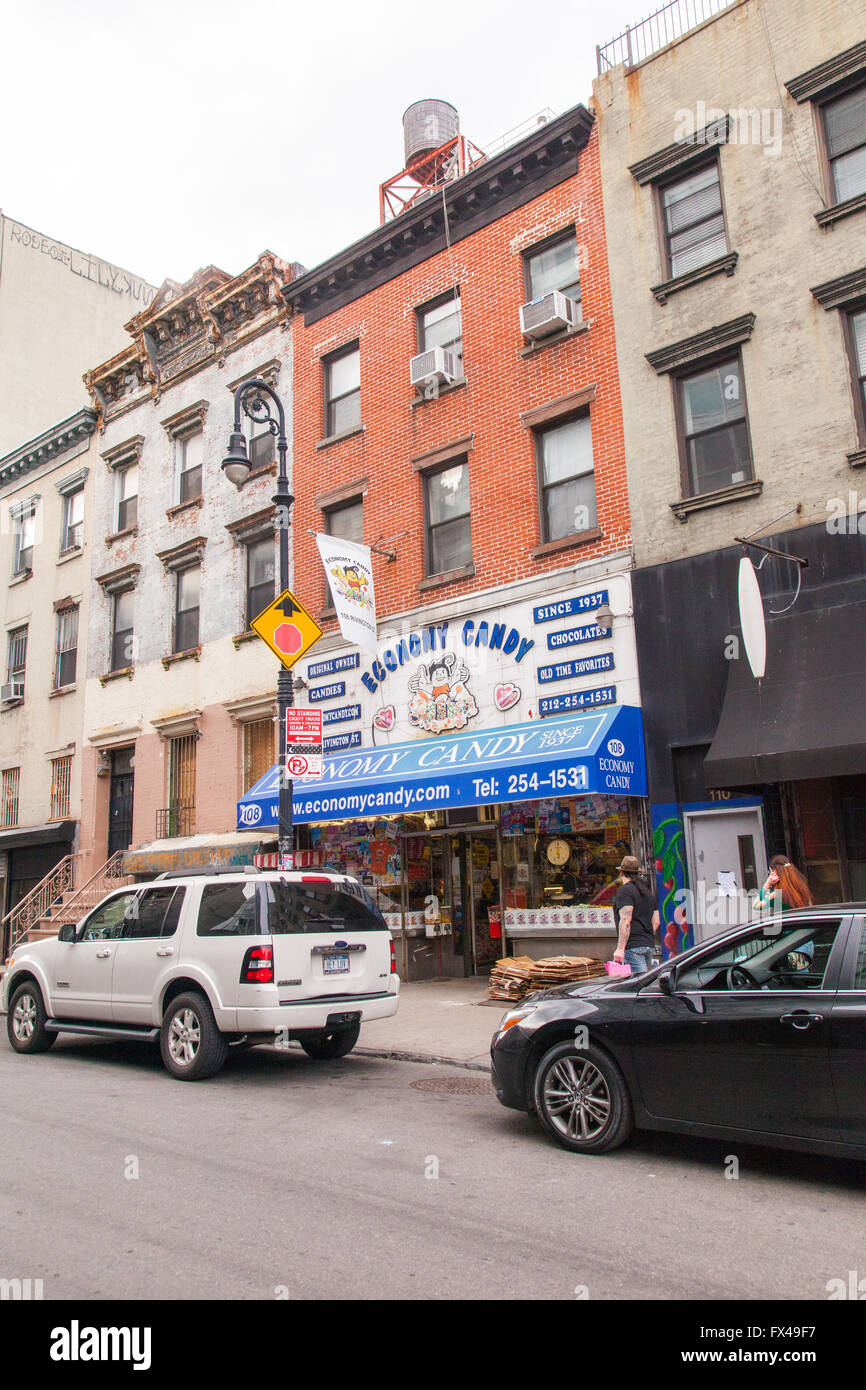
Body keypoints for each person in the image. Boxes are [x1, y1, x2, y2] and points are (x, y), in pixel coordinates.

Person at [612, 855, 660, 975]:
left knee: (639, 984)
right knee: (646, 980)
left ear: (621, 872)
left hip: (633, 946)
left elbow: (626, 920)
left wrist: (620, 949)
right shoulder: (648, 893)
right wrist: (645, 936)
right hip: (648, 944)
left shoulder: (624, 891)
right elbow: (657, 921)